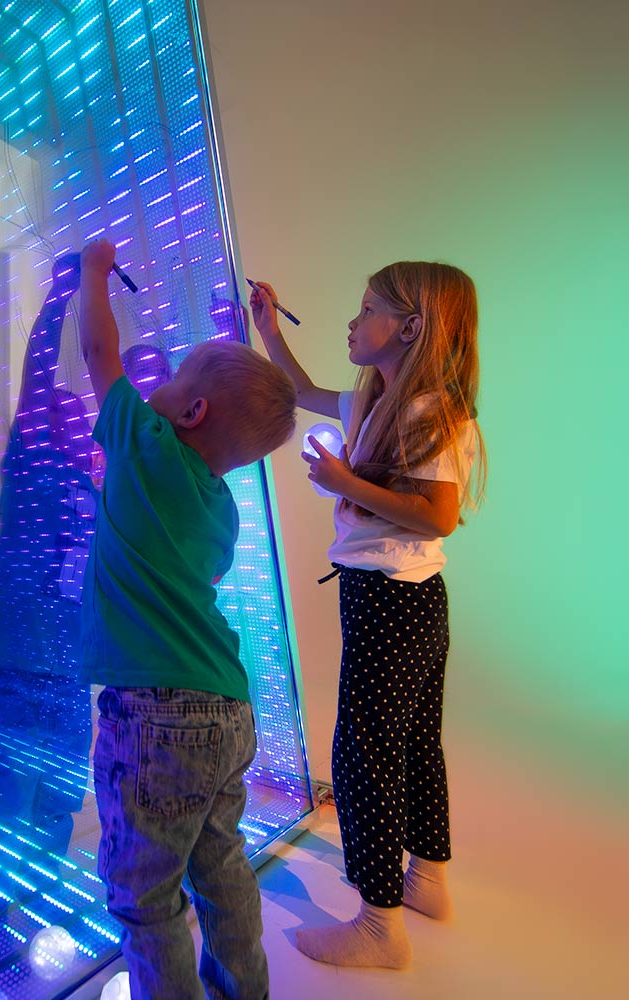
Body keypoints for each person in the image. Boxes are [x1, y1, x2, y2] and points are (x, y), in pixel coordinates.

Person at [249, 262, 487, 970]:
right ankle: (427, 881)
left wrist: (345, 481)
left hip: (393, 601)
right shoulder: (378, 402)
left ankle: (379, 925)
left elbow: (438, 516)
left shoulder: (429, 412)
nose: (352, 324)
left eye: (367, 310)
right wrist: (268, 330)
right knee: (412, 741)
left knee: (364, 753)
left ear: (410, 328)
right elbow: (301, 391)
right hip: (403, 599)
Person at [77, 237, 297, 1000]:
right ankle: (244, 989)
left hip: (157, 717)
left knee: (145, 896)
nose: (155, 388)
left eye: (171, 381)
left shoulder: (146, 447)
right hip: (228, 711)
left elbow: (99, 353)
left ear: (191, 411)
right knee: (221, 864)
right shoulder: (222, 507)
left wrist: (93, 271)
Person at [0, 254, 95, 934]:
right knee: (0, 801)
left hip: (70, 679)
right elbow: (37, 376)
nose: (67, 412)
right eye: (56, 409)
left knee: (56, 804)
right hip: (14, 671)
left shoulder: (98, 489)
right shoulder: (31, 466)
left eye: (74, 410)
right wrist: (60, 296)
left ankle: (37, 910)